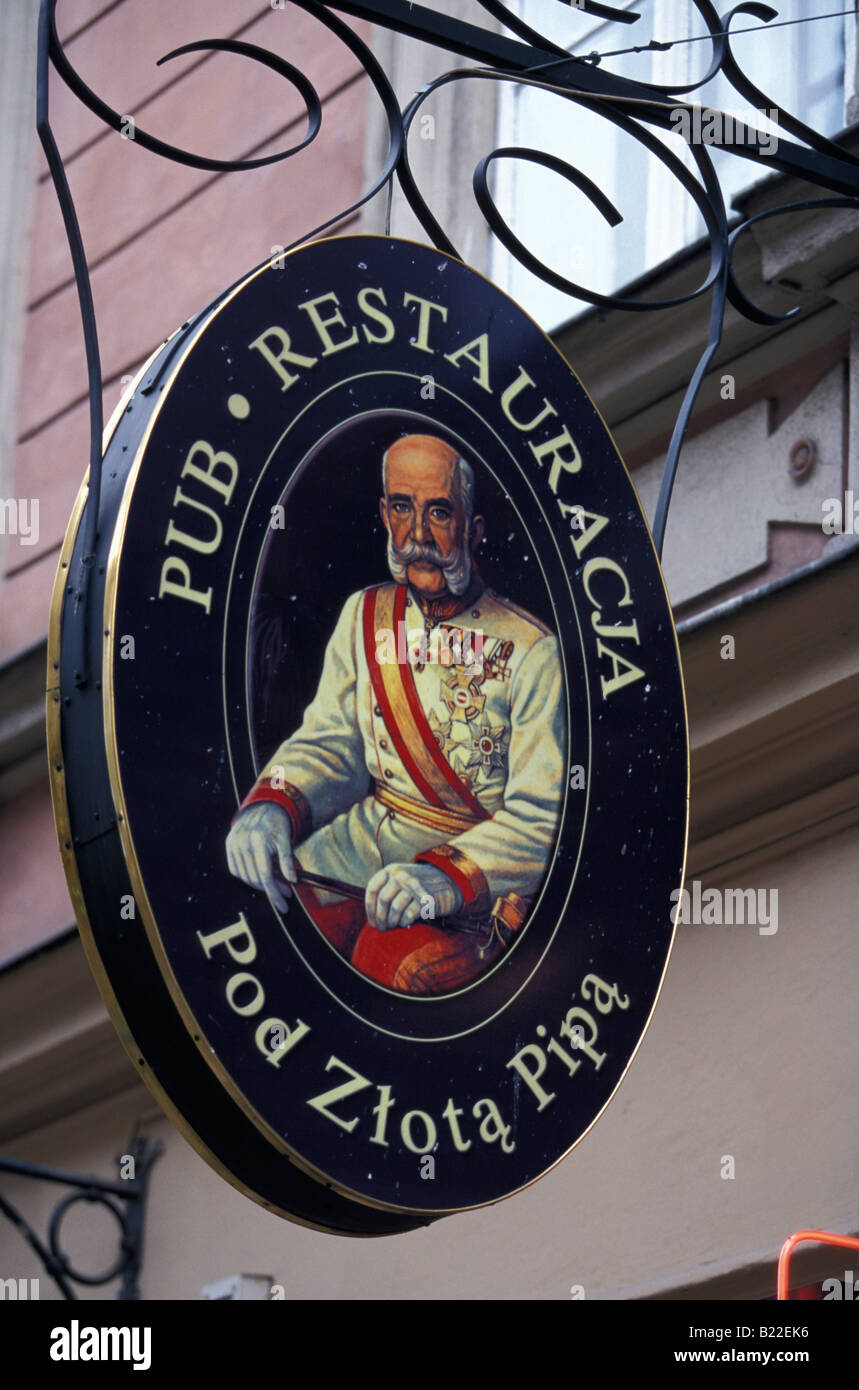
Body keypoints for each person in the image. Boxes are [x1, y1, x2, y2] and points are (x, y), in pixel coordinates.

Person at [226, 433, 565, 995]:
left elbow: (540, 821)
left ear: (473, 529)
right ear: (385, 514)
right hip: (356, 851)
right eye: (403, 509)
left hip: (470, 896)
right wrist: (271, 806)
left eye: (439, 513)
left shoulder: (533, 652)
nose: (418, 535)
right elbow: (330, 744)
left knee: (389, 965)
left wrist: (443, 879)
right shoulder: (363, 615)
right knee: (268, 927)